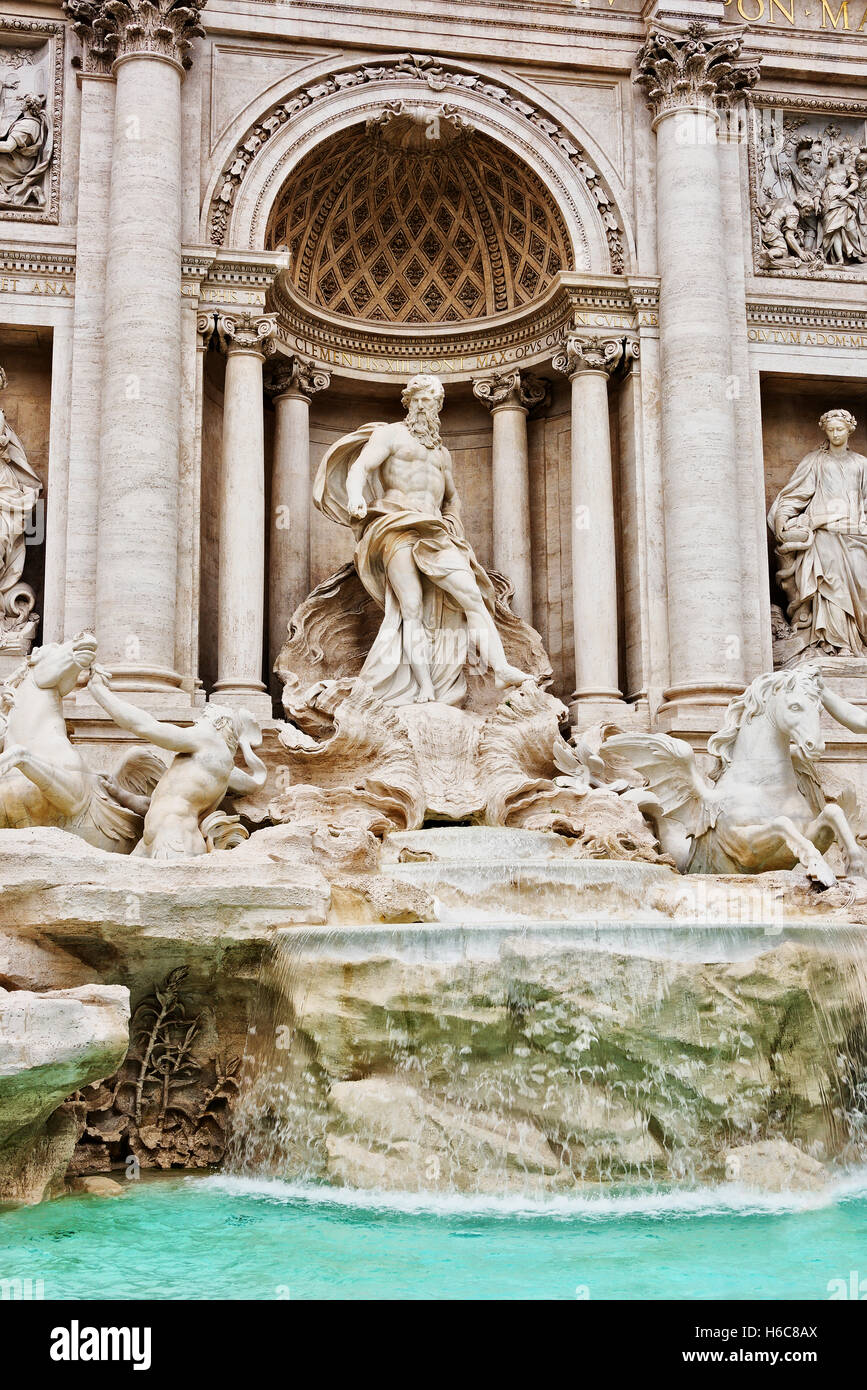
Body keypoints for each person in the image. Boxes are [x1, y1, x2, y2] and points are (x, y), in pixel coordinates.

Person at [313, 373, 531, 705]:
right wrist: (356, 497)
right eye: (424, 400)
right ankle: (424, 686)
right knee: (410, 607)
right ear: (411, 402)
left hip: (435, 531)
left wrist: (453, 522)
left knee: (473, 596)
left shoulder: (442, 454)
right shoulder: (391, 435)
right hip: (396, 525)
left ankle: (500, 668)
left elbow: (452, 498)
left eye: (435, 402)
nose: (429, 407)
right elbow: (360, 467)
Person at [86, 667, 266, 858]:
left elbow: (146, 726)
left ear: (219, 723)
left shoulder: (209, 739)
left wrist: (100, 692)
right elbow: (158, 805)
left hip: (174, 839)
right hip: (156, 840)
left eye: (203, 719)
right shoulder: (218, 766)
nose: (196, 724)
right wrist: (120, 794)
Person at [768, 409, 867, 656]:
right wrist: (782, 515)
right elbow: (796, 494)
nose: (835, 433)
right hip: (824, 533)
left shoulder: (861, 464)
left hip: (855, 532)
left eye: (840, 429)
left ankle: (858, 643)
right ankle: (834, 643)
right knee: (830, 583)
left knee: (861, 581)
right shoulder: (815, 461)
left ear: (849, 430)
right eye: (831, 429)